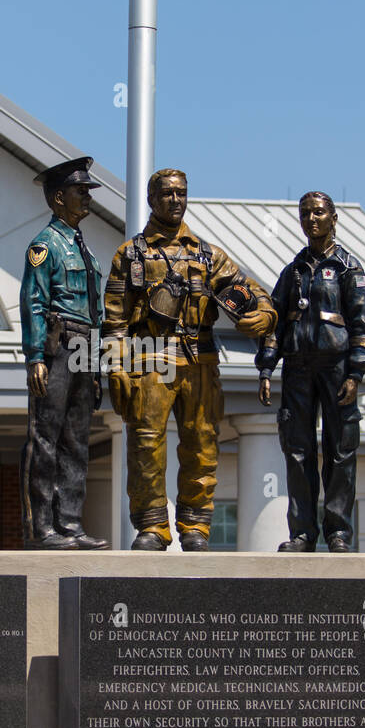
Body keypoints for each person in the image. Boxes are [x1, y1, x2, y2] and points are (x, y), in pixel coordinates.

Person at [104, 168, 277, 551]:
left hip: (200, 364)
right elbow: (114, 319)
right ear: (152, 198)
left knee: (201, 445)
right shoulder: (130, 254)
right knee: (146, 446)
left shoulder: (208, 255)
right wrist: (116, 366)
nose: (176, 200)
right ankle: (152, 527)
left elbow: (250, 293)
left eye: (181, 193)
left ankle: (195, 527)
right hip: (150, 362)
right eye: (167, 193)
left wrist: (264, 315)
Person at [256, 191, 365, 552]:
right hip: (297, 369)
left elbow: (363, 325)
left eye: (319, 213)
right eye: (305, 213)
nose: (312, 219)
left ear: (333, 218)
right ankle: (303, 532)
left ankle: (338, 531)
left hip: (336, 368)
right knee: (297, 451)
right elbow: (274, 321)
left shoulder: (347, 268)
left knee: (341, 451)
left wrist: (356, 374)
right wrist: (265, 368)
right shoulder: (292, 272)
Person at [19, 157, 109, 550]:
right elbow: (34, 302)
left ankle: (71, 524)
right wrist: (35, 356)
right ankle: (43, 527)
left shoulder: (84, 249)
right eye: (80, 190)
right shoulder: (45, 246)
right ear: (59, 198)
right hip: (58, 347)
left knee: (77, 439)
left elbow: (96, 310)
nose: (87, 197)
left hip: (86, 347)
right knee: (46, 437)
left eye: (88, 190)